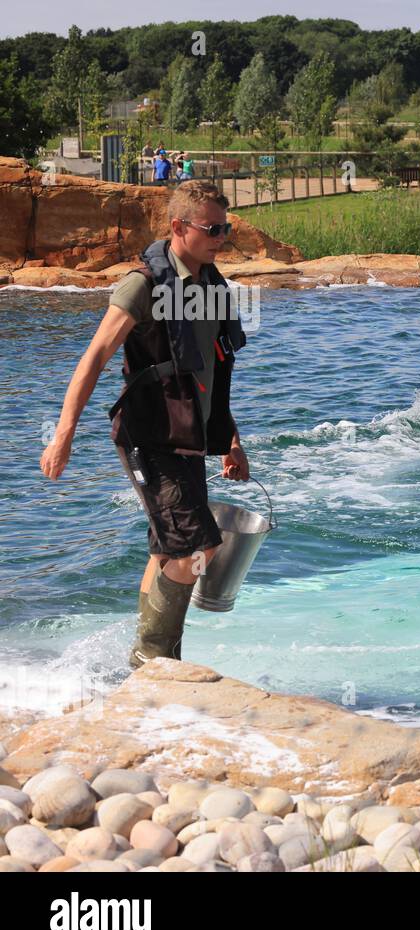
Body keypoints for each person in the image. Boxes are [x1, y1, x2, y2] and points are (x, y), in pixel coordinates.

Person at [40, 180, 251, 670]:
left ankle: (152, 661)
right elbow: (93, 357)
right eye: (212, 228)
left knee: (168, 548)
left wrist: (231, 439)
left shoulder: (211, 287)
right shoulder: (143, 284)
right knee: (200, 548)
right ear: (178, 227)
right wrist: (63, 435)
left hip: (188, 435)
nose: (221, 236)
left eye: (227, 227)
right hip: (149, 434)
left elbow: (211, 372)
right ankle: (155, 657)